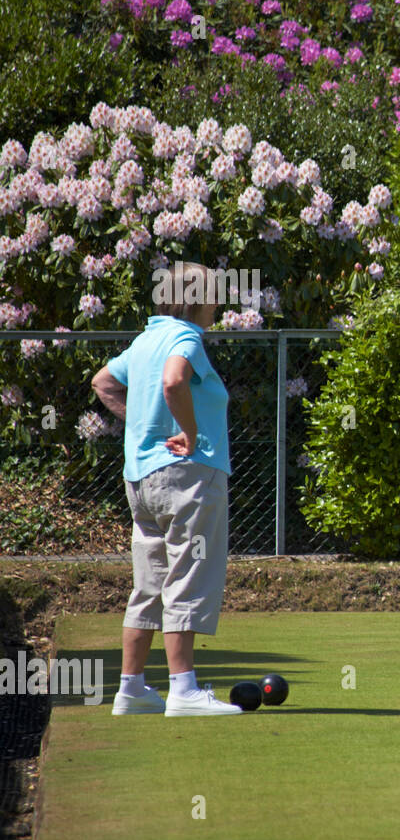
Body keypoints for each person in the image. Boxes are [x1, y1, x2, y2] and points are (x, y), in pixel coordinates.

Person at [91, 261, 242, 716]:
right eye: (214, 293)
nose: (219, 303)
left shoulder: (143, 339)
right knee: (187, 576)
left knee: (149, 583)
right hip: (188, 475)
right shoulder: (185, 336)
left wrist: (142, 424)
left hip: (141, 479)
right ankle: (183, 691)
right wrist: (189, 432)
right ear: (197, 299)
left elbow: (104, 381)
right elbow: (174, 380)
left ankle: (131, 688)